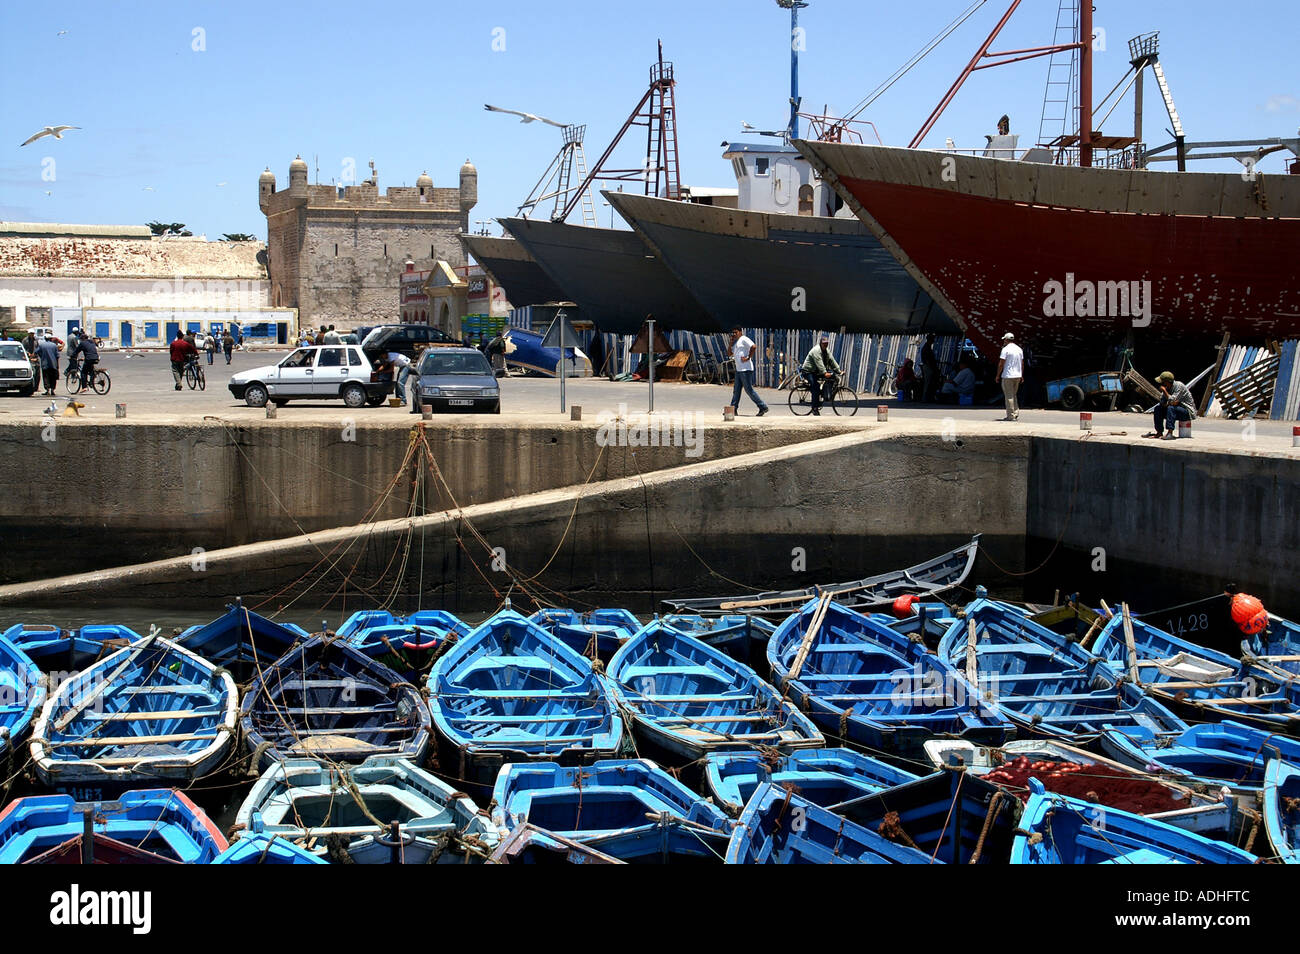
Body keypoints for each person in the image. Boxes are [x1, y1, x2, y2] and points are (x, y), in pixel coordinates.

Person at [729, 326, 768, 417]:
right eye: (733, 333)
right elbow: (729, 353)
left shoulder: (743, 339)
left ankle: (763, 406)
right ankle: (733, 409)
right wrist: (730, 343)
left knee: (749, 390)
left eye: (736, 332)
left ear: (740, 332)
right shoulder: (735, 343)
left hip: (745, 369)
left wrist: (748, 357)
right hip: (739, 370)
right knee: (736, 390)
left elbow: (753, 346)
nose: (734, 334)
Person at [1148, 370, 1196, 439]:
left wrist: (1164, 391)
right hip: (1175, 410)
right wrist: (1165, 400)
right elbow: (1162, 402)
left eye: (1162, 382)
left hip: (1187, 412)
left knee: (1171, 408)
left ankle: (1170, 433)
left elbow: (1172, 401)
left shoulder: (1179, 386)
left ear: (1167, 382)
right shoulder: (1168, 388)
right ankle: (1159, 432)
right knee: (1158, 409)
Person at [800, 334, 840, 416]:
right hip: (808, 371)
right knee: (816, 387)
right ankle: (814, 408)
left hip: (816, 371)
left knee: (833, 377)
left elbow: (832, 361)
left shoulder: (826, 351)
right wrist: (825, 373)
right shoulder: (816, 351)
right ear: (821, 343)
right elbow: (820, 364)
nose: (826, 345)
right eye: (824, 343)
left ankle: (824, 394)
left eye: (827, 343)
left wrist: (839, 371)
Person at [995, 332, 1024, 421]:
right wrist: (1022, 375)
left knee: (1009, 396)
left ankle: (1010, 416)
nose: (1004, 341)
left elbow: (1001, 363)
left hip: (1008, 375)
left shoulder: (1005, 349)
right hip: (1017, 375)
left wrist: (997, 375)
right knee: (1014, 394)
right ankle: (1015, 413)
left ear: (1006, 340)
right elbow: (1022, 363)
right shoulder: (1019, 349)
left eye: (1004, 339)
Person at [920, 334, 940, 402]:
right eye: (933, 339)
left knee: (929, 382)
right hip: (928, 367)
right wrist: (933, 368)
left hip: (928, 366)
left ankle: (927, 397)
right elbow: (927, 360)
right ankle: (925, 398)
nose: (934, 341)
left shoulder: (927, 347)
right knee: (927, 383)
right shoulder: (926, 348)